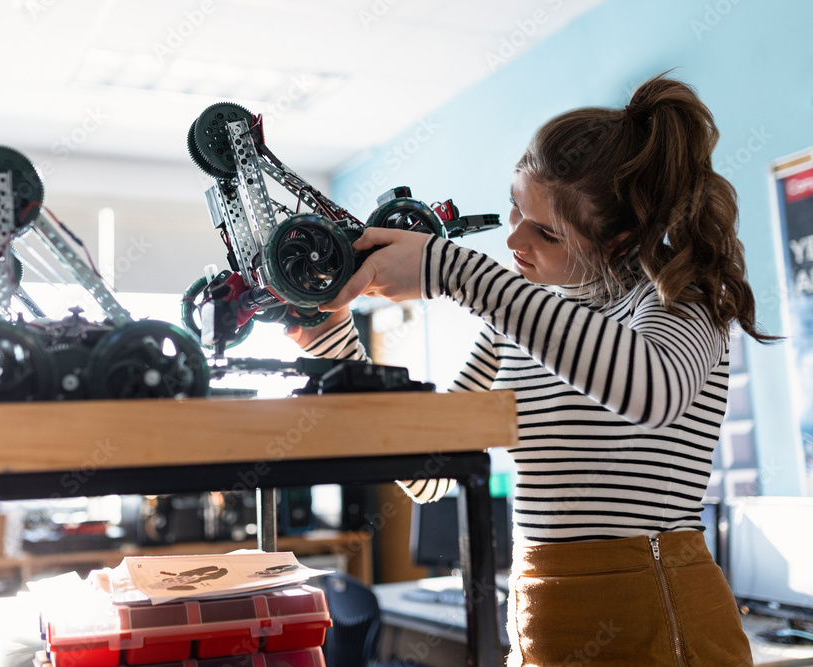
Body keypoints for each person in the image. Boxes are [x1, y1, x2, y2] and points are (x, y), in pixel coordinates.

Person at [288, 72, 775, 666]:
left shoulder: (679, 298)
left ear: (618, 240)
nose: (515, 239)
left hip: (659, 622)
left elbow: (652, 391)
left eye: (546, 231)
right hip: (543, 621)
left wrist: (454, 272)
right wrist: (337, 343)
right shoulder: (518, 320)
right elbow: (431, 471)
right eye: (515, 207)